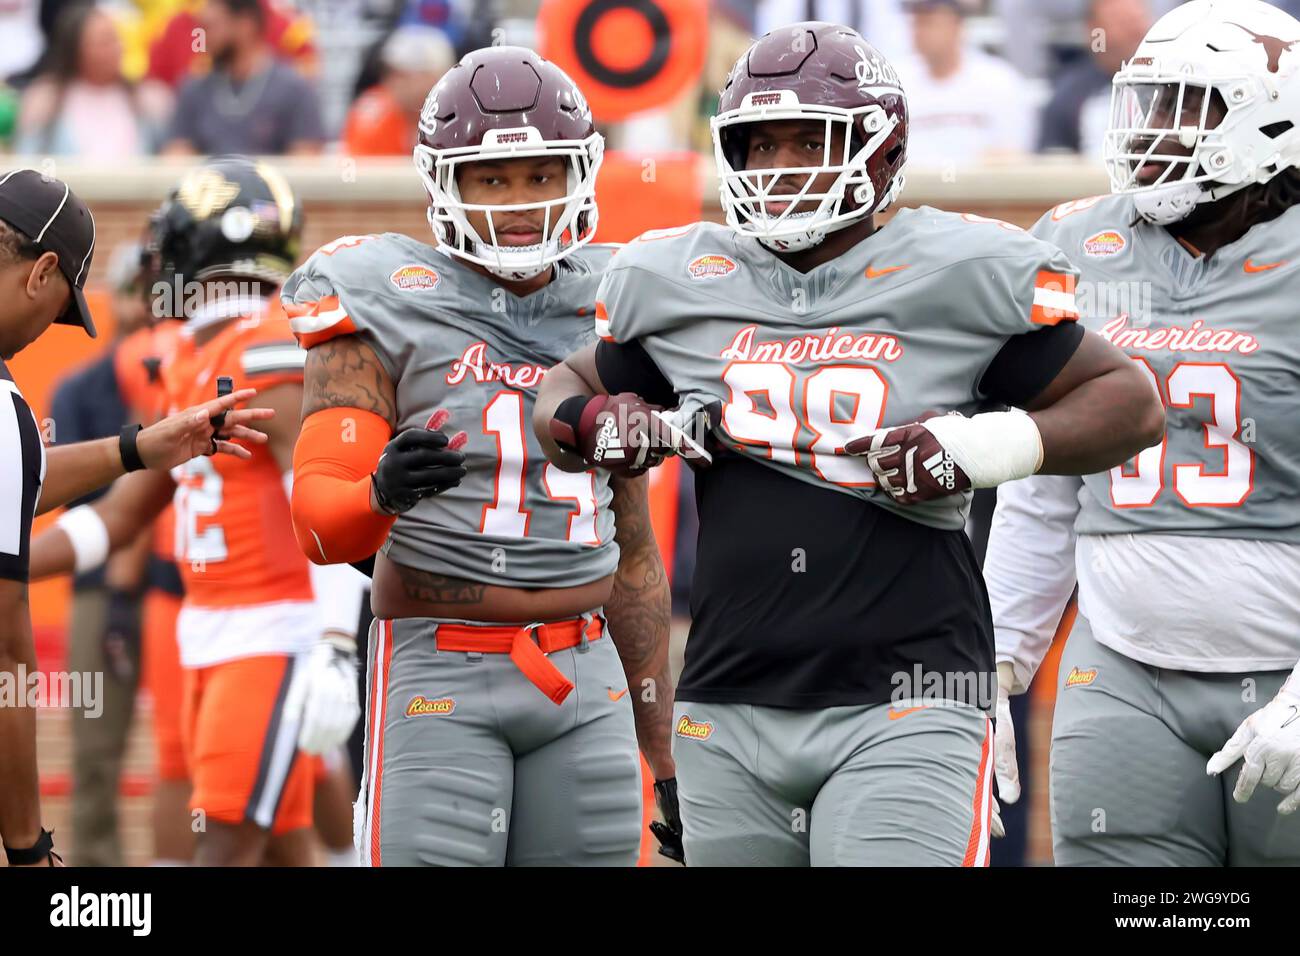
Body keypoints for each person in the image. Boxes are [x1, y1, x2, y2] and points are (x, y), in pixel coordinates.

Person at [534, 20, 1165, 867]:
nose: (780, 167)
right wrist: (595, 424)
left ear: (881, 151)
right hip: (727, 698)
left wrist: (985, 448)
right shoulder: (676, 278)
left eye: (810, 140)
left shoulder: (959, 268)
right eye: (761, 145)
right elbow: (561, 392)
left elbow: (1130, 404)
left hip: (913, 693)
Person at [284, 46, 677, 867]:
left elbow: (634, 551)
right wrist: (378, 495)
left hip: (585, 668)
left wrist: (666, 752)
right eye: (491, 181)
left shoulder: (615, 300)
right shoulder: (380, 292)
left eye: (539, 176)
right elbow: (322, 529)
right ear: (443, 185)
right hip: (440, 665)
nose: (521, 203)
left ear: (581, 173)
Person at [987, 0, 1300, 867]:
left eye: (1183, 107)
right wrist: (996, 659)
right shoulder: (1077, 243)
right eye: (1149, 102)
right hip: (1120, 664)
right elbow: (1043, 481)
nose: (1153, 129)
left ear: (1270, 120)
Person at [28, 156, 367, 866]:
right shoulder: (191, 352)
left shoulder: (272, 348)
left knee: (224, 848)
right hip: (207, 630)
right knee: (278, 845)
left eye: (171, 243)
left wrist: (335, 644)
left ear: (205, 246)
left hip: (273, 633)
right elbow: (120, 517)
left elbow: (333, 508)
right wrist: (11, 562)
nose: (159, 263)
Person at [0, 167, 271, 867]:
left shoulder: (224, 354)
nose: (46, 332)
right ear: (44, 272)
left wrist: (136, 448)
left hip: (239, 620)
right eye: (61, 307)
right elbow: (6, 649)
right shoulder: (213, 354)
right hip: (243, 621)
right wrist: (27, 844)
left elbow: (26, 482)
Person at [45, 241, 157, 866]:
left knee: (193, 755)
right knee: (94, 762)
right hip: (100, 587)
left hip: (179, 585)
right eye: (140, 290)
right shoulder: (82, 388)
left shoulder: (193, 369)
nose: (150, 304)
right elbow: (74, 503)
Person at [163, 0, 326, 156]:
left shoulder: (294, 90)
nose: (203, 38)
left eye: (211, 27)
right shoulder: (194, 88)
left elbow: (305, 163)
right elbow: (176, 158)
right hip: (210, 184)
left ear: (245, 25)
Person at [16, 3, 172, 157]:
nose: (115, 49)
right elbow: (27, 162)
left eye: (115, 39)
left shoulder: (150, 100)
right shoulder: (43, 100)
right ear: (75, 49)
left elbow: (168, 158)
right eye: (103, 43)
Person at [893, 0, 1033, 167]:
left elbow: (1015, 154)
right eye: (917, 21)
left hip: (981, 189)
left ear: (956, 24)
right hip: (912, 190)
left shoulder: (999, 81)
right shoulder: (895, 84)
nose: (919, 31)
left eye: (929, 22)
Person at [1037, 0, 1152, 157]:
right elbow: (1053, 162)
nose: (1135, 30)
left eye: (1137, 19)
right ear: (1094, 30)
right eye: (1122, 22)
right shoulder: (1068, 96)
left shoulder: (1173, 84)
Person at [342, 25, 453, 157]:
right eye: (390, 72)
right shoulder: (373, 113)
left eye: (404, 75)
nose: (392, 81)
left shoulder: (456, 116)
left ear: (436, 76)